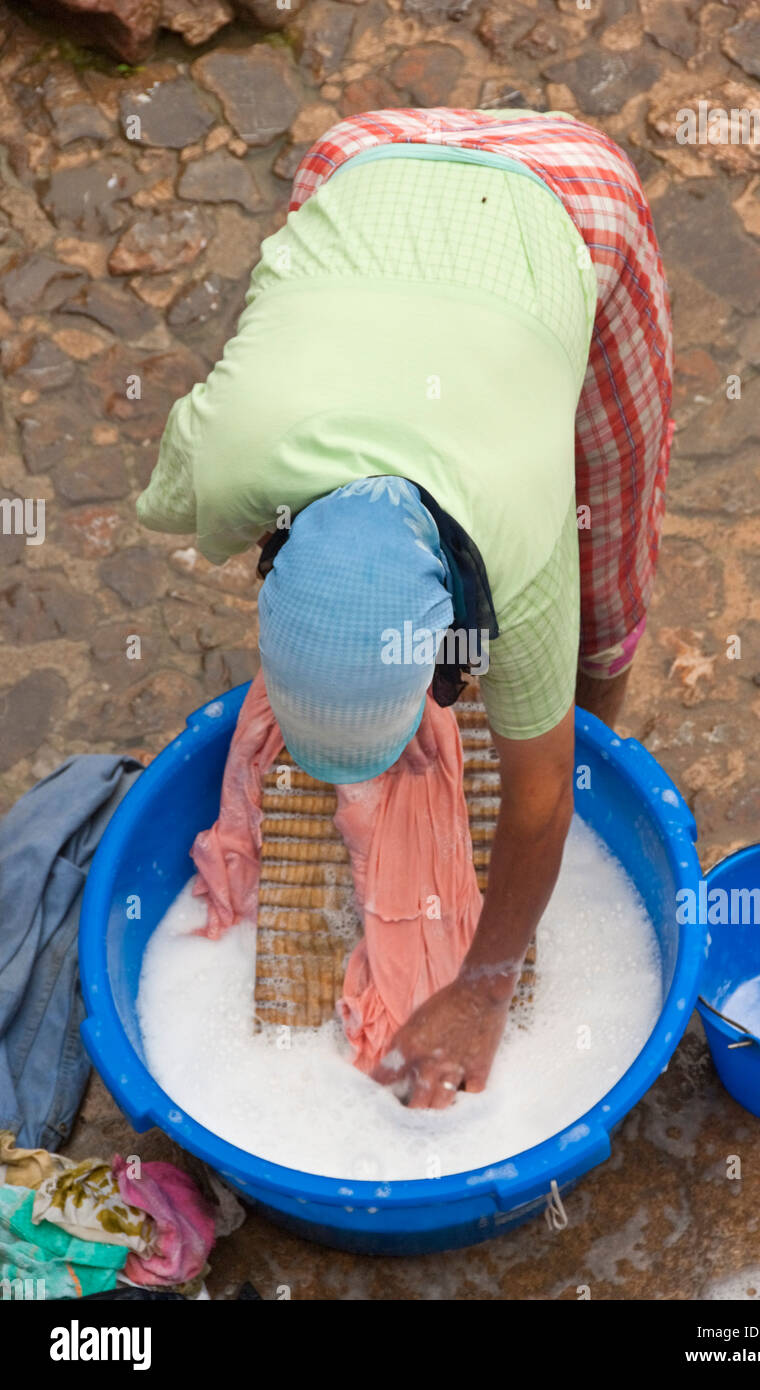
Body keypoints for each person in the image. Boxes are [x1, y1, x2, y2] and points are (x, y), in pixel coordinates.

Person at [137, 106, 673, 1109]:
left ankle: (597, 728)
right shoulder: (228, 452)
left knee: (612, 558)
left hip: (571, 201)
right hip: (356, 165)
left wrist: (480, 985)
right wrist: (327, 611)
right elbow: (212, 507)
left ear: (449, 655)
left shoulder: (521, 539)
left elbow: (541, 799)